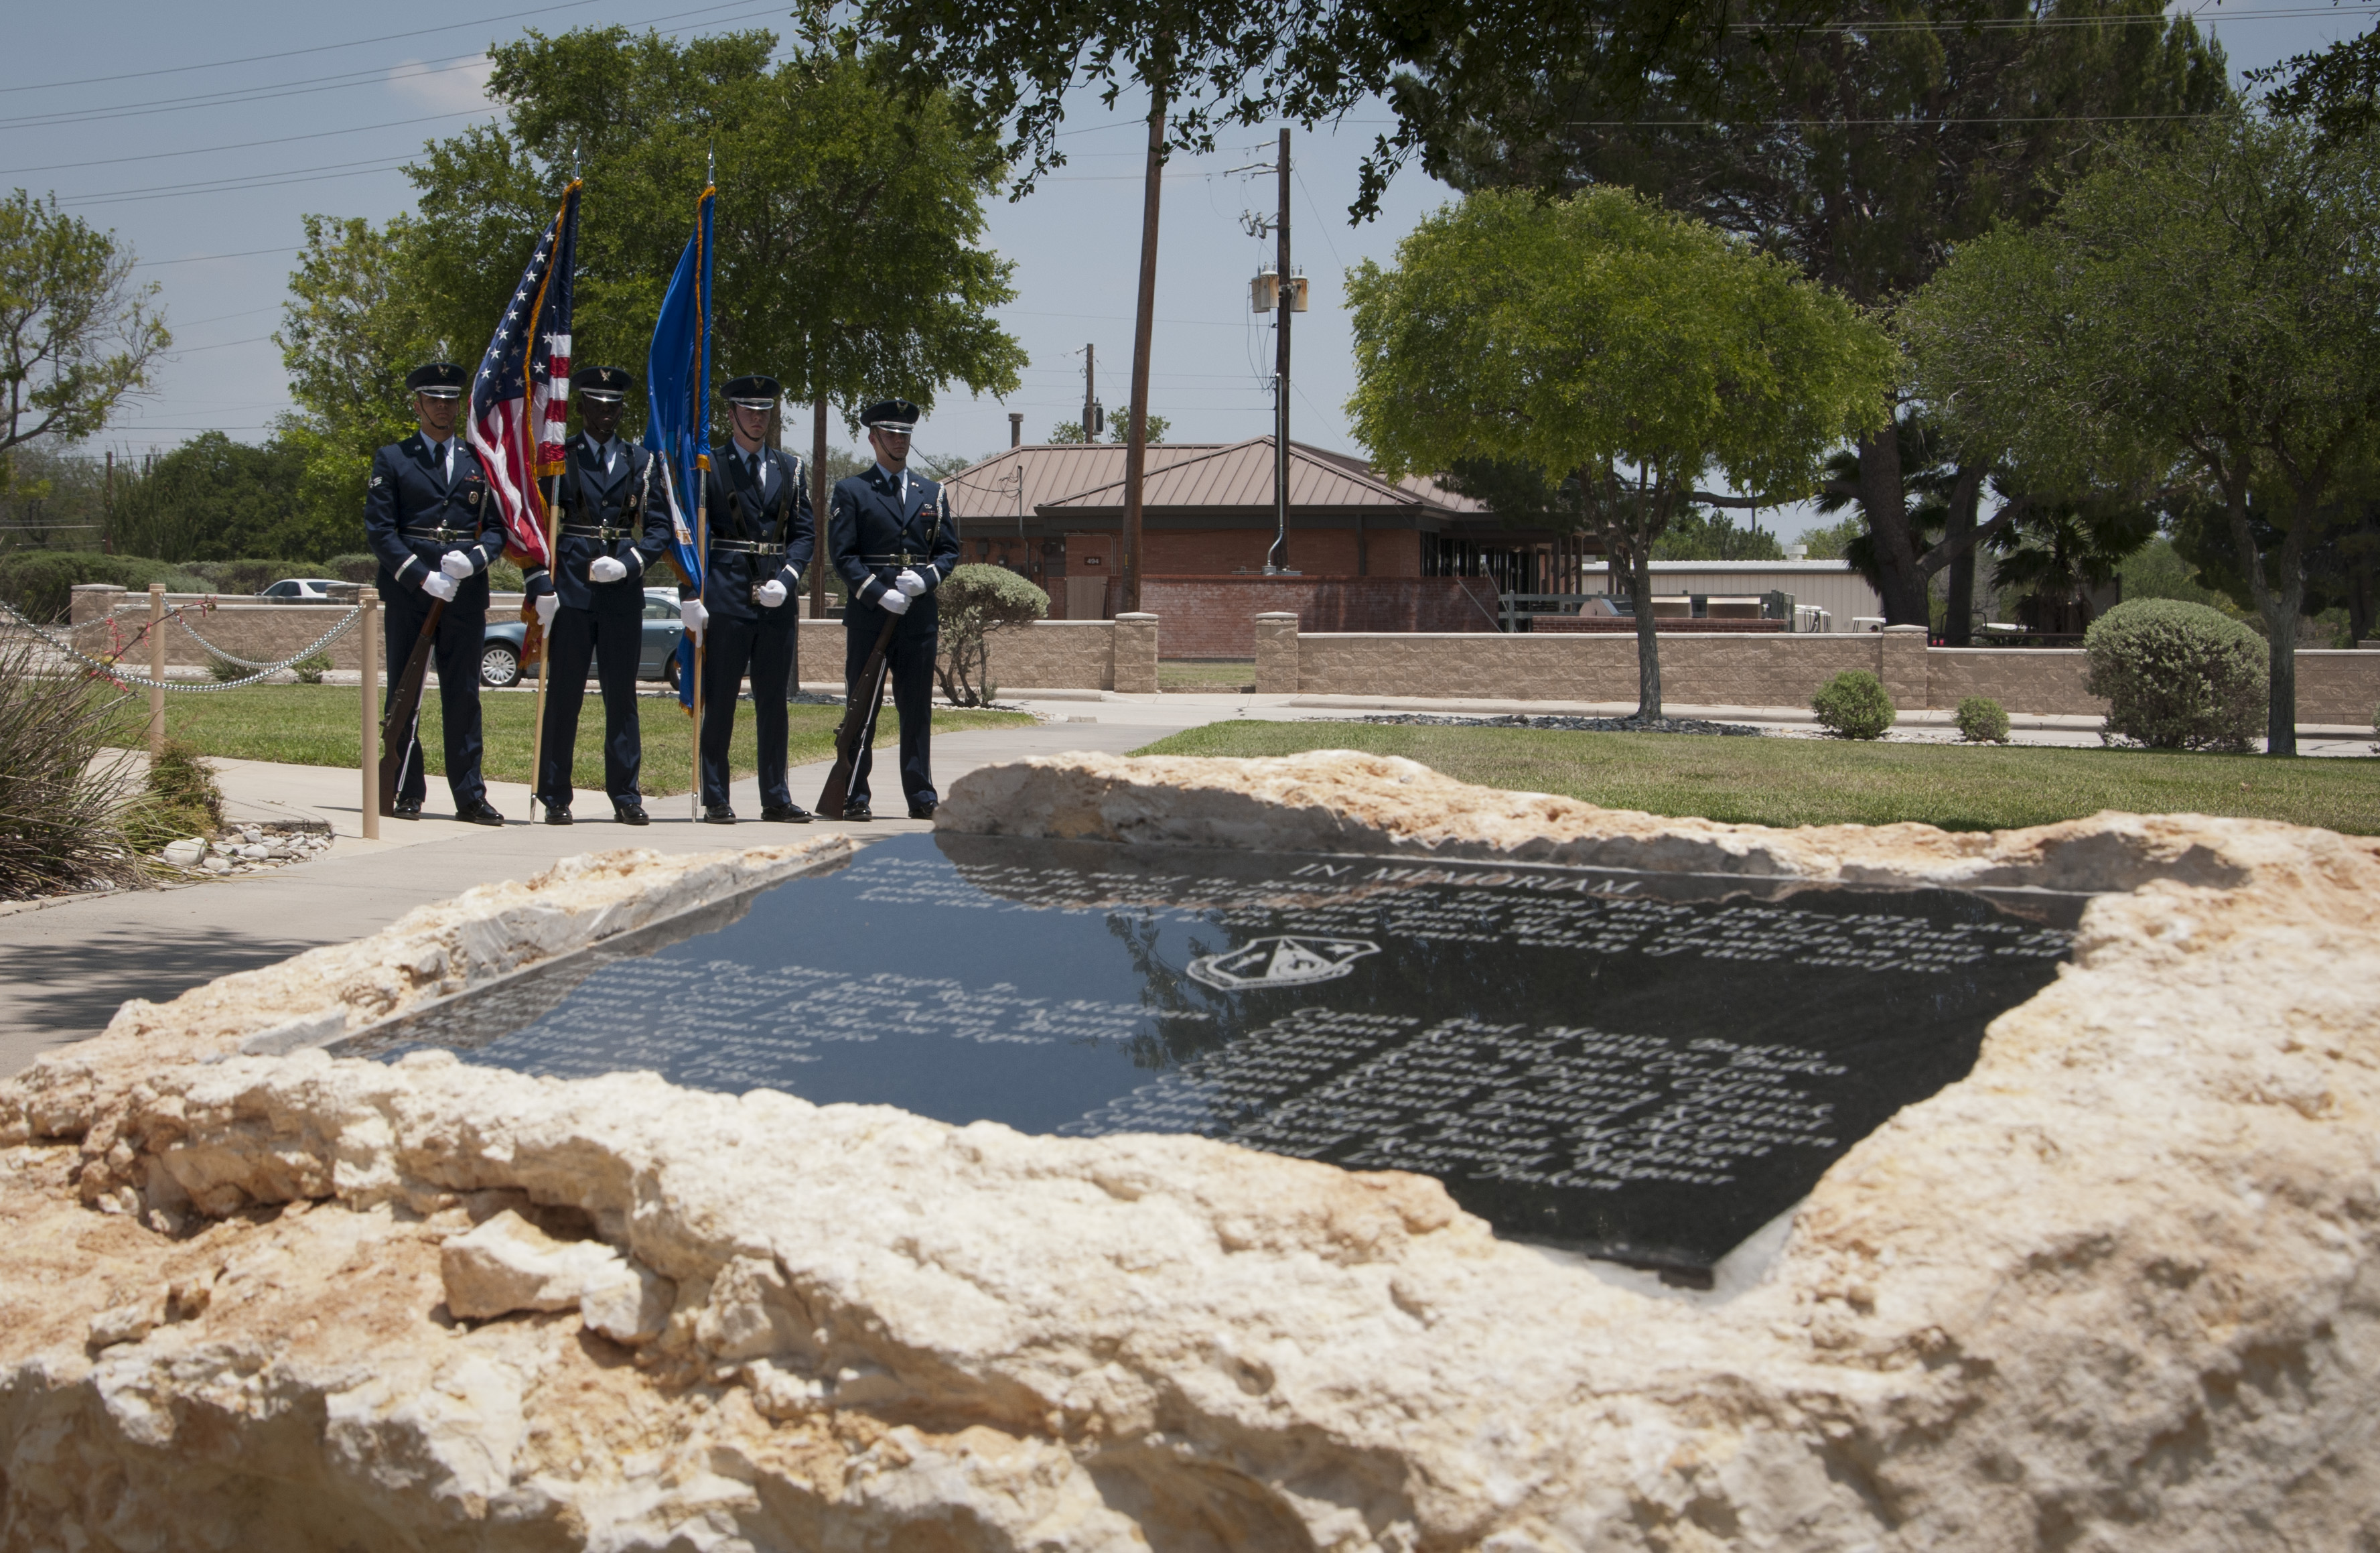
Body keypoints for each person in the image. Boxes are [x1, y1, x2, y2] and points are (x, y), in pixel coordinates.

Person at [362, 361, 509, 824]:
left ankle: (469, 795)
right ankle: (406, 787)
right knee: (405, 693)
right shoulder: (393, 458)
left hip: (464, 593)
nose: (443, 407)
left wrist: (474, 560)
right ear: (417, 404)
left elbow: (500, 529)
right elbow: (380, 531)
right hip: (411, 592)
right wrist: (420, 576)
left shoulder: (479, 460)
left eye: (450, 399)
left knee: (463, 694)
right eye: (434, 399)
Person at [523, 364, 668, 825]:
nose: (607, 413)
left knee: (621, 697)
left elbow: (660, 527)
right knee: (564, 693)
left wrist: (629, 563)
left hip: (622, 591)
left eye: (615, 405)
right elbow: (535, 521)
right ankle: (554, 794)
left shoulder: (642, 460)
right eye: (598, 404)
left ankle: (626, 795)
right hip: (572, 585)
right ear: (581, 406)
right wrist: (539, 583)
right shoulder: (558, 458)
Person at [677, 373, 815, 823]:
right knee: (720, 701)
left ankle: (775, 796)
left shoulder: (790, 468)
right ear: (730, 413)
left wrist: (789, 577)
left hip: (776, 596)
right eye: (749, 410)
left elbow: (804, 533)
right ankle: (716, 796)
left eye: (764, 411)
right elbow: (688, 535)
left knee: (773, 702)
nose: (757, 418)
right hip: (726, 593)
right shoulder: (707, 466)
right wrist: (689, 595)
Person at [827, 397, 959, 821]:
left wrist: (926, 579)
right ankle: (853, 794)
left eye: (905, 434)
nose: (899, 441)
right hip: (871, 616)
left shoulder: (932, 492)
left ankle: (921, 794)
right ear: (873, 437)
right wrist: (876, 592)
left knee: (916, 709)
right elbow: (843, 555)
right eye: (891, 434)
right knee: (861, 706)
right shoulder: (852, 490)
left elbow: (948, 551)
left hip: (918, 618)